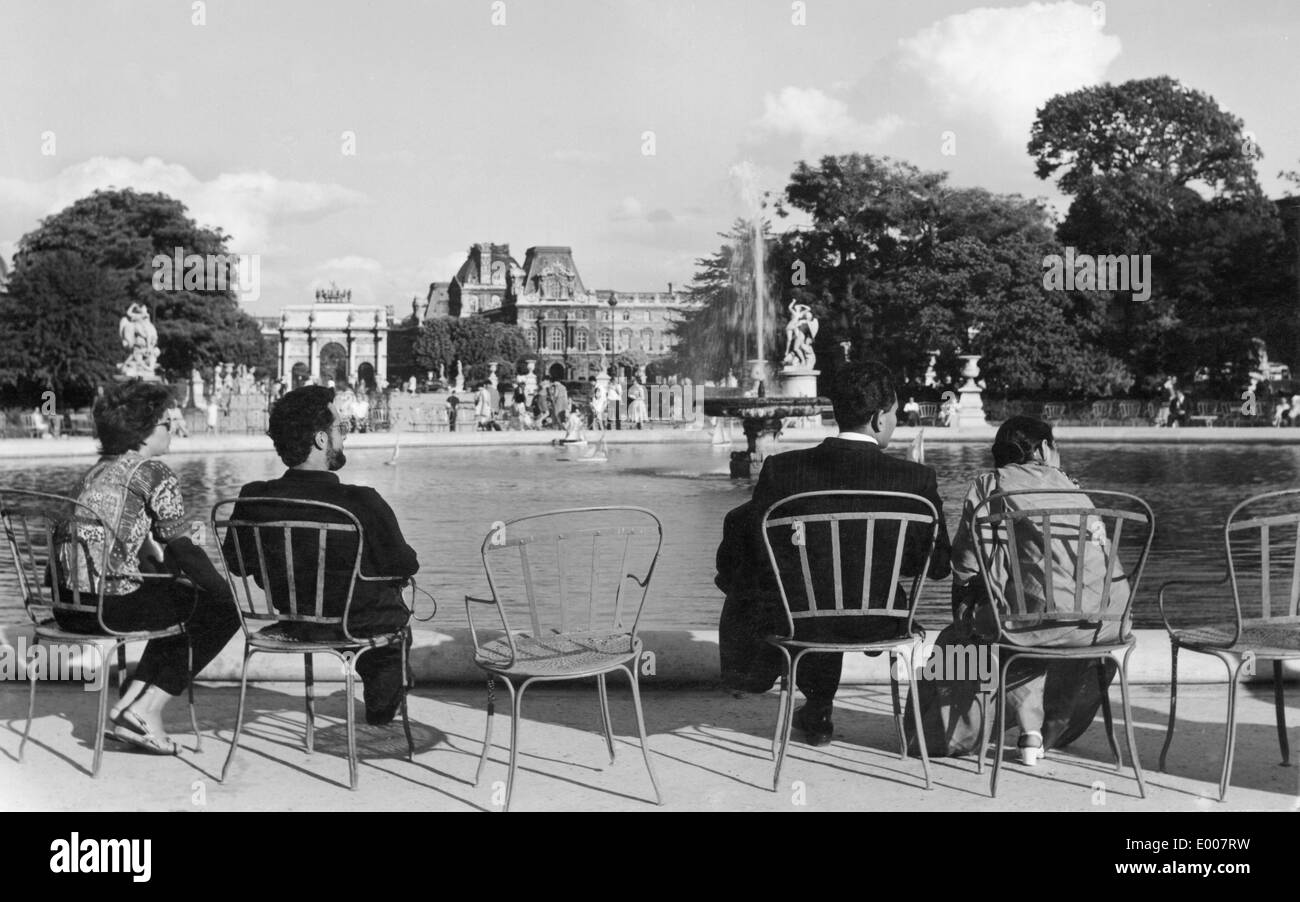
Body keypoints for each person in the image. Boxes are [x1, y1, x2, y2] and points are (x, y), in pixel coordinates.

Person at [715, 361, 952, 746]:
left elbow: (755, 553)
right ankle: (819, 706)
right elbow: (937, 566)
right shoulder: (916, 480)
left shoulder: (783, 470)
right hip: (883, 619)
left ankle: (786, 689)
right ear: (878, 419)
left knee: (803, 583)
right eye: (893, 415)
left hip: (801, 620)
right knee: (839, 582)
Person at [911, 416, 1128, 765]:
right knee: (1029, 610)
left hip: (1037, 625)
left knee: (995, 624)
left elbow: (965, 566)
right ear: (1044, 449)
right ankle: (1041, 731)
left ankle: (1010, 729)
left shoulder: (990, 486)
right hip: (1107, 623)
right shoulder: (1073, 488)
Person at [56, 381, 239, 754]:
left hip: (68, 610)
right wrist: (224, 593)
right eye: (167, 425)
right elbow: (183, 552)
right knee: (219, 609)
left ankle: (129, 707)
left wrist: (172, 560)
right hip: (111, 609)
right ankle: (147, 709)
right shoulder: (151, 471)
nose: (174, 431)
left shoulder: (94, 474)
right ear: (143, 434)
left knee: (175, 600)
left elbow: (137, 552)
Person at [220, 386, 419, 726]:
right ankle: (381, 705)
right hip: (354, 622)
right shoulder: (362, 502)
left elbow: (237, 566)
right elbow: (405, 564)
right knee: (391, 623)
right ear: (321, 440)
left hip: (294, 619)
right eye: (340, 428)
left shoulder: (252, 497)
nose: (345, 436)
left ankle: (379, 680)